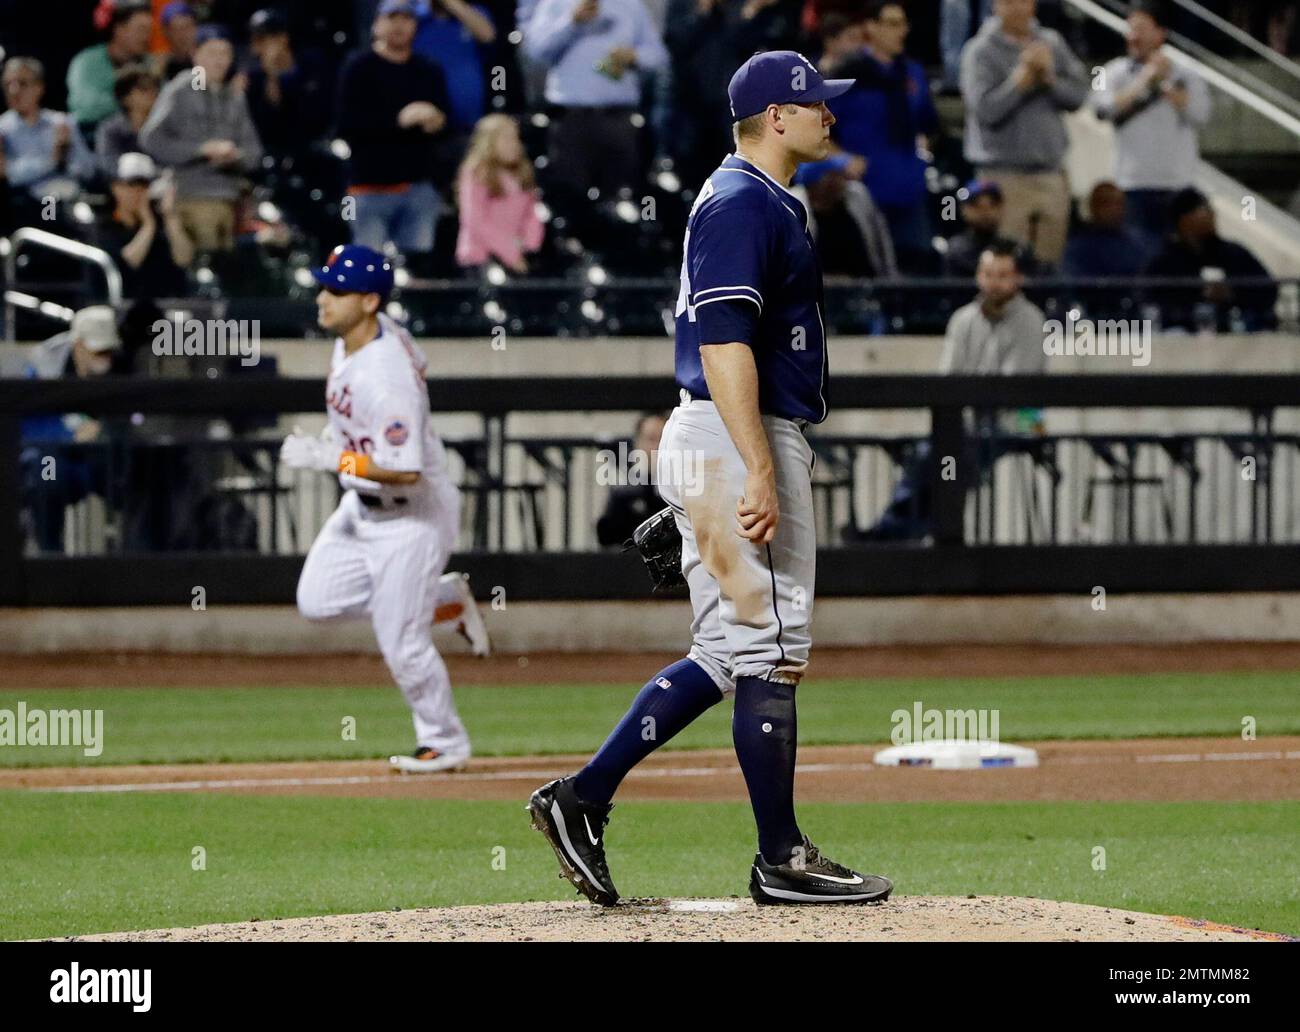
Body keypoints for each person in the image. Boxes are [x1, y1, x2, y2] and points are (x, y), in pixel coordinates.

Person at [528, 51, 894, 907]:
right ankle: (782, 860)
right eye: (814, 106)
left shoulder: (760, 196)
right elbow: (726, 344)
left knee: (736, 650)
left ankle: (582, 798)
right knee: (766, 649)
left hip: (734, 433)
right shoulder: (739, 199)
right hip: (738, 432)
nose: (828, 117)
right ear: (775, 116)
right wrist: (755, 469)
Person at [280, 244, 491, 774]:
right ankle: (443, 598)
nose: (324, 298)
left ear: (370, 300)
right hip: (364, 508)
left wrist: (336, 457)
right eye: (324, 285)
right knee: (317, 600)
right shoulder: (360, 337)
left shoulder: (385, 374)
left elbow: (407, 470)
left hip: (411, 513)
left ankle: (444, 741)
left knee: (400, 640)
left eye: (338, 290)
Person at [852, 240, 1046, 542]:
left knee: (945, 454)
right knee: (929, 452)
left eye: (1002, 275)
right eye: (987, 274)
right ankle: (913, 532)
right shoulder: (963, 319)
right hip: (966, 423)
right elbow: (949, 377)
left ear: (1018, 279)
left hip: (1016, 425)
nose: (994, 283)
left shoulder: (1032, 321)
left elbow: (1013, 388)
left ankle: (899, 534)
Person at [959, 0, 1088, 265]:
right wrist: (1020, 82)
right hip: (1004, 177)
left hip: (1051, 174)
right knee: (1007, 266)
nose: (1018, 8)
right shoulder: (980, 51)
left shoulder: (1051, 41)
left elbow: (1078, 95)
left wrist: (1048, 77)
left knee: (1050, 268)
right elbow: (986, 111)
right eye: (1009, 2)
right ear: (995, 5)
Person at [335, 0, 451, 265]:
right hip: (368, 189)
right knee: (367, 269)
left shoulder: (428, 70)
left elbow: (446, 122)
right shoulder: (358, 67)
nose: (399, 25)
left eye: (406, 19)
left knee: (417, 271)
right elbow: (346, 126)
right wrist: (399, 121)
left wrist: (436, 120)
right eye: (392, 18)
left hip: (419, 188)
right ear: (377, 24)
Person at [825, 1, 939, 271]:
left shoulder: (913, 73)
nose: (901, 31)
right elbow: (814, 132)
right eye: (892, 23)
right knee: (871, 271)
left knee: (917, 271)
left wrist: (923, 148)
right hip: (865, 193)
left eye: (903, 23)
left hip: (910, 192)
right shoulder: (846, 73)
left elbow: (930, 124)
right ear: (871, 27)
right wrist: (841, 159)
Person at [1092, 0, 1211, 252]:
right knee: (1138, 256)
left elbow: (1201, 115)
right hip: (1132, 185)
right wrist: (1144, 80)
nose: (1133, 36)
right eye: (1130, 28)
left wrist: (1169, 84)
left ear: (1160, 34)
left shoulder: (1186, 72)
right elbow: (1102, 109)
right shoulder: (1112, 72)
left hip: (1177, 184)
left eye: (1142, 29)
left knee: (1181, 258)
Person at [523, 0, 669, 200]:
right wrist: (571, 23)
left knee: (620, 201)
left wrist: (635, 56)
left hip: (618, 119)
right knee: (571, 199)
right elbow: (535, 51)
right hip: (570, 121)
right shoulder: (555, 4)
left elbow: (658, 55)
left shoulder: (631, 5)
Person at [138, 26, 264, 255]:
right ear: (195, 54)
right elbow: (151, 139)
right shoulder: (182, 89)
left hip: (230, 200)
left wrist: (234, 156)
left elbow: (255, 153)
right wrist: (201, 150)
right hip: (192, 196)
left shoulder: (234, 96)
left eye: (225, 53)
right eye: (212, 53)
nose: (220, 60)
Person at [663, 0, 804, 191]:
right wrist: (703, 12)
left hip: (735, 107)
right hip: (691, 106)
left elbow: (746, 43)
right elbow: (676, 41)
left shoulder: (747, 7)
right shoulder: (684, 5)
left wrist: (751, 11)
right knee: (694, 180)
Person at [20, 307, 121, 553]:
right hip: (57, 458)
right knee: (45, 471)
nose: (105, 358)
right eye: (98, 351)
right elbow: (30, 429)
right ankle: (50, 557)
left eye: (109, 351)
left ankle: (144, 560)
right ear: (78, 346)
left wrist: (104, 430)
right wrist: (70, 436)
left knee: (143, 470)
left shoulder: (122, 369)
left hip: (104, 456)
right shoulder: (43, 371)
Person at [1143, 187, 1277, 332]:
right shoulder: (1164, 261)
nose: (1212, 214)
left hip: (1234, 332)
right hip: (1183, 336)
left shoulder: (1233, 253)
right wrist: (1198, 294)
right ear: (1184, 219)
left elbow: (1268, 289)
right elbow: (1150, 299)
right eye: (1203, 209)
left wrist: (1232, 294)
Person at [1, 57, 97, 211]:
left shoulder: (62, 122)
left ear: (39, 87)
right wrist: (53, 161)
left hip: (71, 198)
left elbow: (88, 169)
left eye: (22, 83)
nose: (14, 91)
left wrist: (65, 158)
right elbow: (9, 175)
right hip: (29, 203)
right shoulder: (2, 128)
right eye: (7, 84)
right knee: (48, 209)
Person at [95, 152, 192, 299]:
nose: (138, 192)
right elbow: (125, 265)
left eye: (145, 185)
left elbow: (184, 259)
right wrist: (148, 225)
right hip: (122, 305)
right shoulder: (105, 224)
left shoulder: (162, 223)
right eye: (132, 184)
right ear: (116, 187)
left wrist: (170, 215)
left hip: (161, 307)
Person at [454, 114, 544, 272]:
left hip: (519, 257)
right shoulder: (475, 173)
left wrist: (529, 245)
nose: (513, 144)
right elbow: (475, 220)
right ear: (488, 142)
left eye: (515, 138)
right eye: (506, 139)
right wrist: (510, 253)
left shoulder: (523, 172)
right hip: (479, 259)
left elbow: (532, 213)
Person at [243, 8, 333, 161]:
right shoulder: (253, 77)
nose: (259, 46)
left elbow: (320, 113)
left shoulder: (311, 64)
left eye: (265, 39)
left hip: (316, 147)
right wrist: (271, 75)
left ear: (283, 38)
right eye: (256, 40)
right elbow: (266, 125)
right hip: (276, 153)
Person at [791, 154, 898, 277]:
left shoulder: (857, 195)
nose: (842, 179)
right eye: (834, 174)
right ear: (817, 181)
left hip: (869, 287)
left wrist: (891, 278)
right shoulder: (793, 207)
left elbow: (881, 239)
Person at [66, 0, 154, 135]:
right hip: (91, 143)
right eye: (141, 29)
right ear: (119, 29)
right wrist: (133, 103)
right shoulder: (87, 61)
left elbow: (164, 105)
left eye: (149, 30)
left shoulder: (150, 63)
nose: (146, 37)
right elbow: (85, 108)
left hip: (142, 139)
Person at [413, 0, 497, 133]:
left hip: (470, 119)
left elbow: (488, 35)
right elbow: (387, 23)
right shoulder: (414, 14)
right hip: (427, 119)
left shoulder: (474, 12)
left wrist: (451, 3)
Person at [595, 410, 668, 547]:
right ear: (638, 443)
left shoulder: (682, 486)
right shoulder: (624, 489)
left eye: (663, 439)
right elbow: (607, 535)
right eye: (651, 440)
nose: (658, 447)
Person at [942, 178, 1039, 277]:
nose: (985, 212)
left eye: (992, 205)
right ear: (964, 210)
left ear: (1001, 208)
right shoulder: (955, 252)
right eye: (977, 206)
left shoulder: (1017, 249)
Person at [1060, 181, 1148, 279]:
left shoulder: (1137, 245)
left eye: (1118, 204)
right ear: (1093, 207)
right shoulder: (1076, 248)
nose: (1114, 209)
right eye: (1106, 203)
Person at [94, 67, 160, 180]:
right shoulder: (110, 129)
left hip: (159, 185)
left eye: (154, 87)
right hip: (123, 187)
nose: (152, 92)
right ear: (126, 98)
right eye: (144, 89)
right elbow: (108, 164)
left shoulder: (164, 126)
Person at [157, 1, 198, 82]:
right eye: (177, 29)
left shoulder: (205, 61)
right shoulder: (161, 66)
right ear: (166, 32)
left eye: (188, 27)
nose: (183, 34)